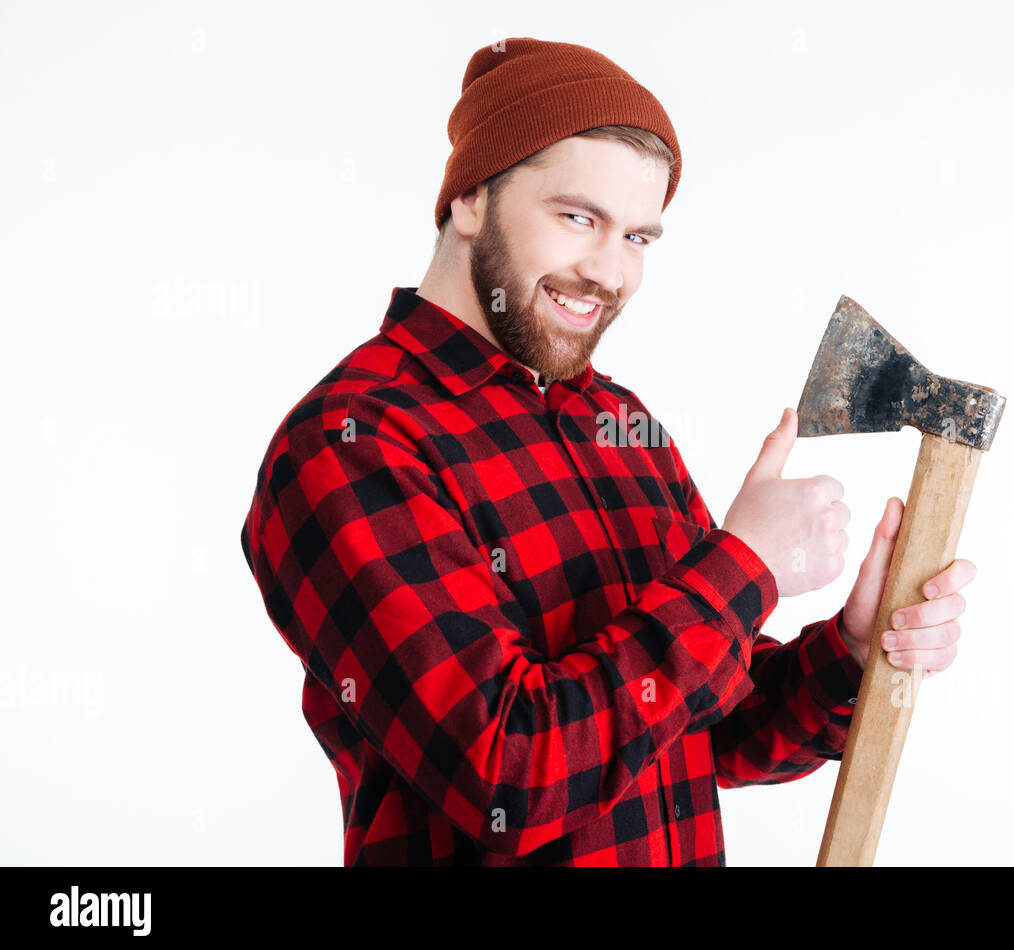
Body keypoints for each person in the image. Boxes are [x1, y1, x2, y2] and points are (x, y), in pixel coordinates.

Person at [239, 36, 976, 866]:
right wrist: (742, 566)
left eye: (640, 238)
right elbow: (507, 777)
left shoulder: (618, 423)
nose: (611, 271)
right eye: (578, 218)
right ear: (471, 199)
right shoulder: (351, 443)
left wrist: (847, 650)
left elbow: (708, 725)